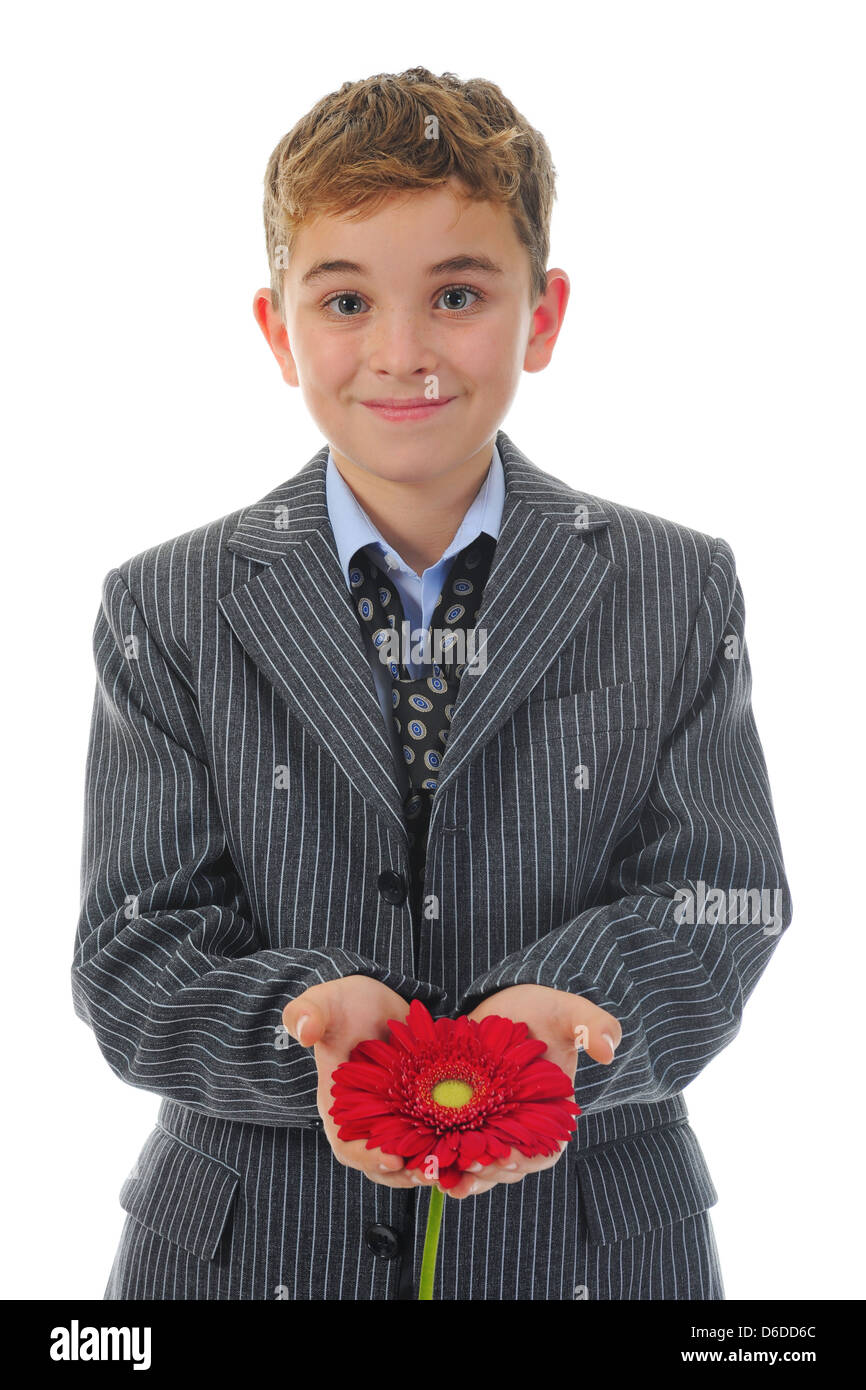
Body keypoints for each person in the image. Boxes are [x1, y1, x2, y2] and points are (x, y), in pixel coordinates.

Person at [73, 66, 792, 1301]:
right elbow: (134, 955)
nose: (399, 352)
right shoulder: (166, 606)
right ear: (275, 328)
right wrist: (307, 1031)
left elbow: (719, 893)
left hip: (590, 1248)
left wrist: (568, 1018)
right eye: (345, 298)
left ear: (542, 315)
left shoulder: (673, 586)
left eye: (456, 294)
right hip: (248, 1257)